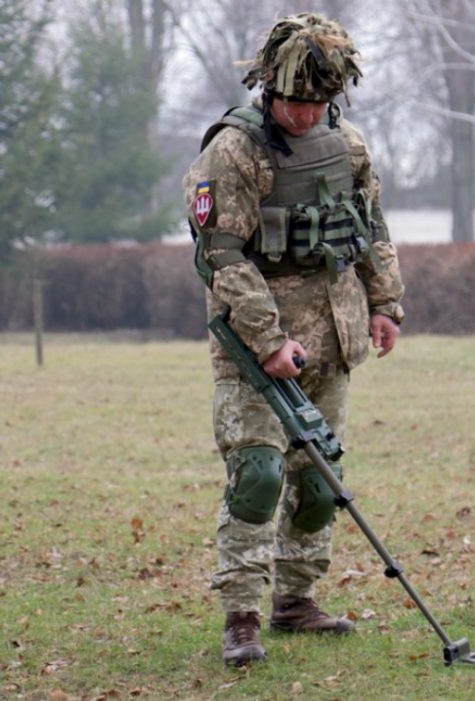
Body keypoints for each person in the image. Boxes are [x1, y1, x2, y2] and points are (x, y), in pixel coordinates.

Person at [183, 12, 406, 668]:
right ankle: (243, 614)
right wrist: (269, 338)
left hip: (332, 338)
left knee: (318, 480)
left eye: (319, 103)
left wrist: (385, 301)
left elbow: (371, 225)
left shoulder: (349, 146)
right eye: (295, 102)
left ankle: (296, 599)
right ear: (269, 88)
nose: (307, 115)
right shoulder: (234, 151)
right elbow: (221, 255)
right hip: (256, 352)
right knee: (258, 474)